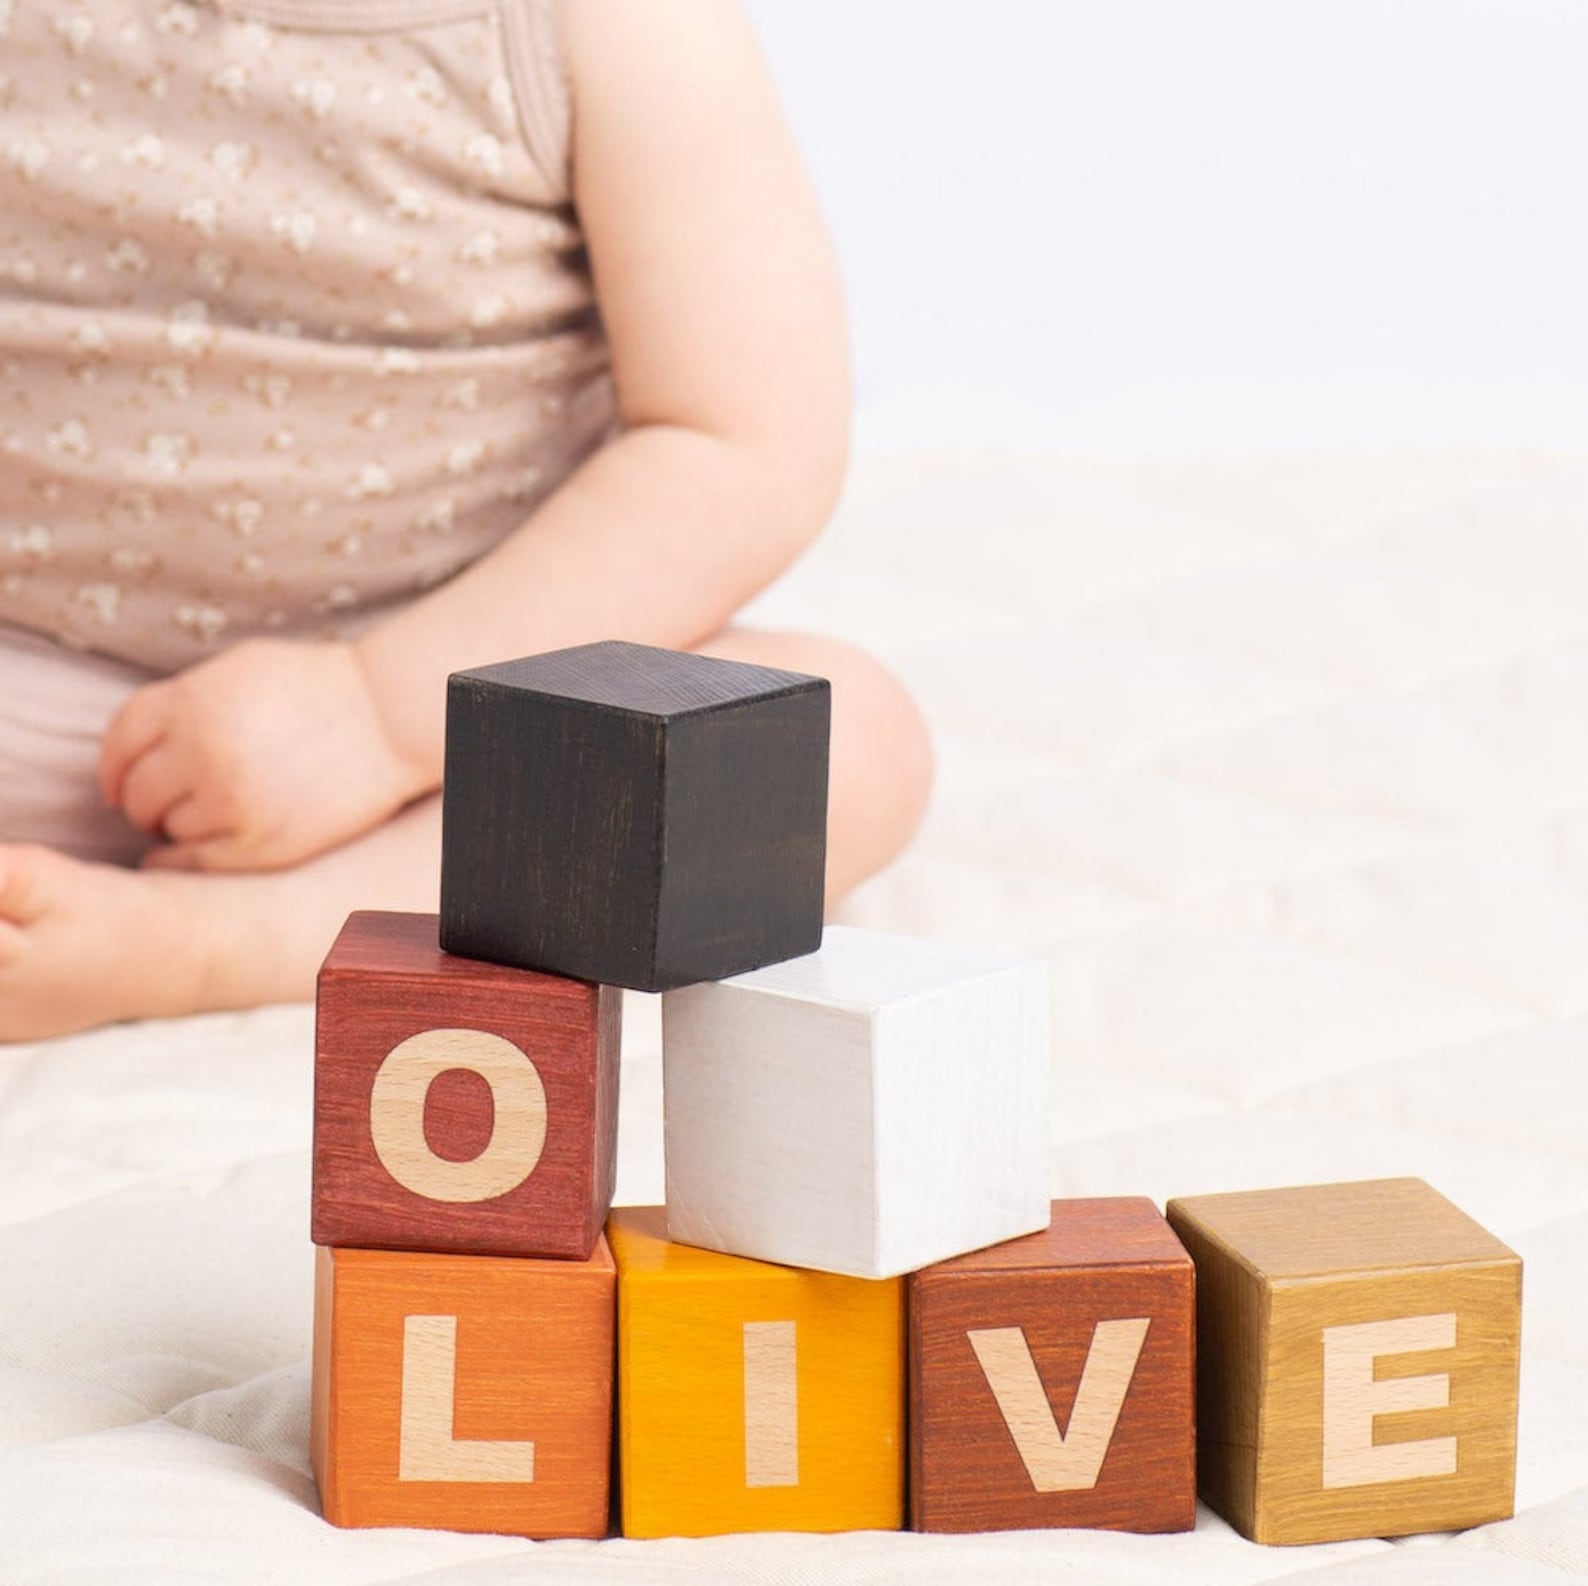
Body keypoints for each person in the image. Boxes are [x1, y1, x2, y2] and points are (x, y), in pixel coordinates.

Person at [0, 0, 933, 1040]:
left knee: (837, 749)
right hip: (51, 700)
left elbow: (740, 446)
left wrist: (378, 717)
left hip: (476, 728)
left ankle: (221, 936)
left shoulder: (613, 26)